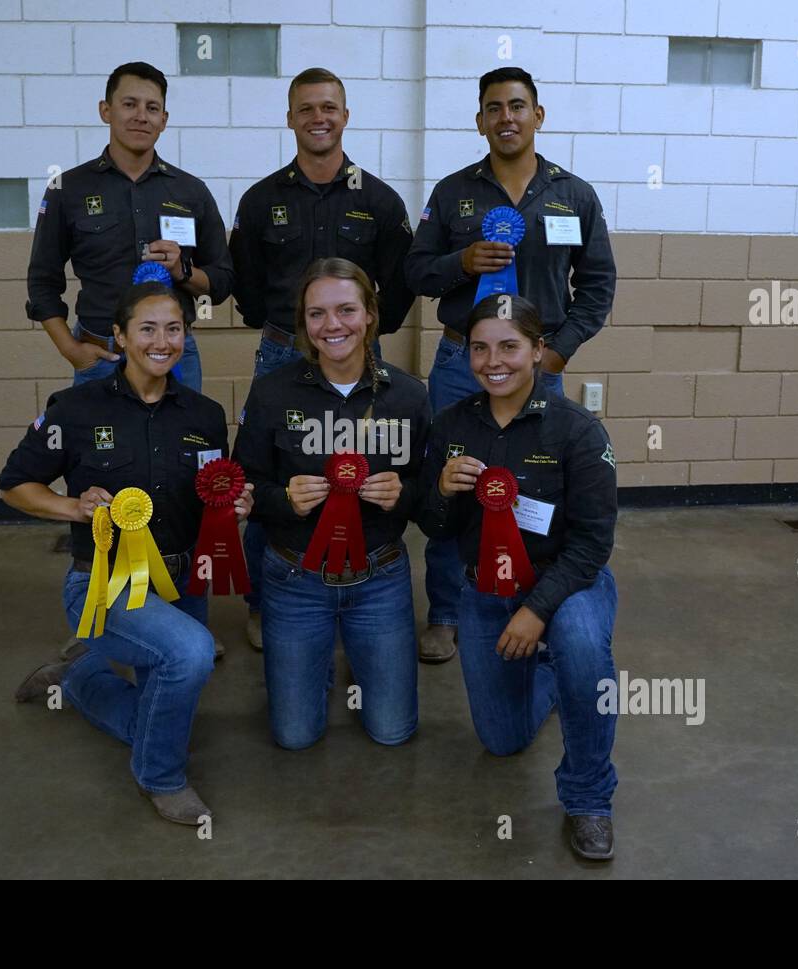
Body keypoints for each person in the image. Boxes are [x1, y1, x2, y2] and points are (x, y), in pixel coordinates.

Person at [0, 281, 251, 826]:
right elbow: (15, 485)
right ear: (119, 335)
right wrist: (75, 508)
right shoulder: (76, 407)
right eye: (147, 328)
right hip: (103, 583)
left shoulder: (204, 414)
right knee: (189, 654)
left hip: (183, 582)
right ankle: (161, 778)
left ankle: (81, 678)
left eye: (175, 328)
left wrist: (235, 507)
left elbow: (211, 497)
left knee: (168, 702)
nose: (162, 341)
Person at [405, 65, 616, 665]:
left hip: (539, 363)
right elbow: (416, 272)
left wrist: (559, 349)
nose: (506, 117)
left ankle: (535, 595)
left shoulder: (574, 194)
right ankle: (447, 611)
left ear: (537, 116)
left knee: (537, 487)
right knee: (458, 485)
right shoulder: (452, 193)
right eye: (494, 108)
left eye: (518, 106)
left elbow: (597, 285)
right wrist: (462, 261)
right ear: (480, 120)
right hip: (460, 362)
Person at [418, 294, 619, 861]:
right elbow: (434, 529)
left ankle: (589, 799)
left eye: (509, 346)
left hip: (567, 586)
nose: (492, 360)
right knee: (502, 742)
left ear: (537, 350)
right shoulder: (453, 425)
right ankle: (554, 677)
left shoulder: (577, 431)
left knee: (581, 645)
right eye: (479, 348)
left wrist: (537, 612)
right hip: (486, 591)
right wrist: (440, 491)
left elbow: (592, 545)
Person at [230, 67, 416, 653]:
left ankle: (358, 581)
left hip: (360, 353)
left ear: (346, 115)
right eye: (306, 108)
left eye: (329, 107)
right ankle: (267, 600)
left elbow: (403, 279)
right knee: (273, 481)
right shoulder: (260, 200)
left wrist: (364, 330)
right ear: (290, 118)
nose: (319, 117)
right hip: (282, 348)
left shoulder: (381, 200)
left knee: (358, 476)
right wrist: (285, 327)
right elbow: (249, 284)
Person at [232, 258, 430, 750]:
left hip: (379, 577)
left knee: (391, 731)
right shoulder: (272, 392)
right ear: (303, 323)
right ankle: (308, 664)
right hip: (295, 576)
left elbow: (433, 492)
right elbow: (246, 486)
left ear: (369, 315)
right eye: (317, 314)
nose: (332, 325)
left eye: (346, 310)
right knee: (295, 736)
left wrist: (404, 494)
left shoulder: (408, 395)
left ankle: (344, 657)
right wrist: (283, 500)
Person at [27, 60, 234, 392]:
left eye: (152, 108)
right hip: (101, 360)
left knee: (182, 444)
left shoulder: (191, 191)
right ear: (105, 111)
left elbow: (223, 281)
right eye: (129, 104)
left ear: (164, 120)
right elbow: (41, 282)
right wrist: (71, 350)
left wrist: (182, 271)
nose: (141, 115)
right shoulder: (67, 189)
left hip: (174, 361)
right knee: (96, 446)